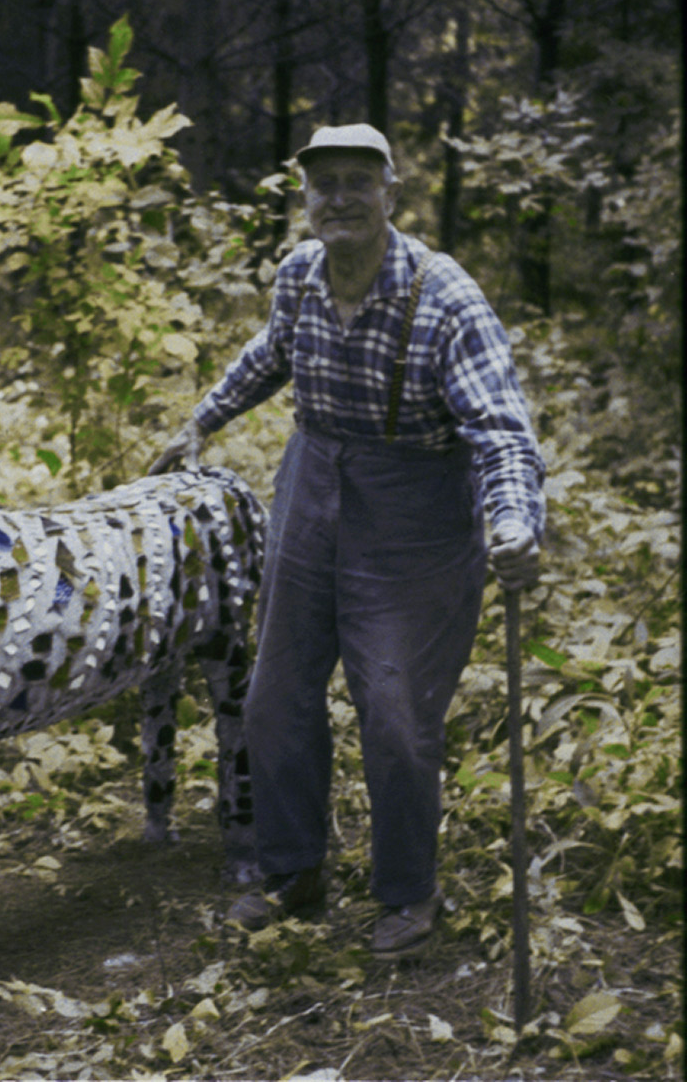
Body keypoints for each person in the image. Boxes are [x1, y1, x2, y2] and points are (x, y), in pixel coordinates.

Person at [149, 123, 545, 958]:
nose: (339, 197)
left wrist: (514, 521)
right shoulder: (299, 273)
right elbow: (271, 354)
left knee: (396, 712)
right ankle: (295, 871)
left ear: (391, 191)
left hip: (416, 510)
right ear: (306, 197)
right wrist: (201, 422)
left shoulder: (446, 298)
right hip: (311, 487)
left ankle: (407, 891)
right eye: (324, 182)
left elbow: (502, 432)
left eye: (357, 181)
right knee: (274, 696)